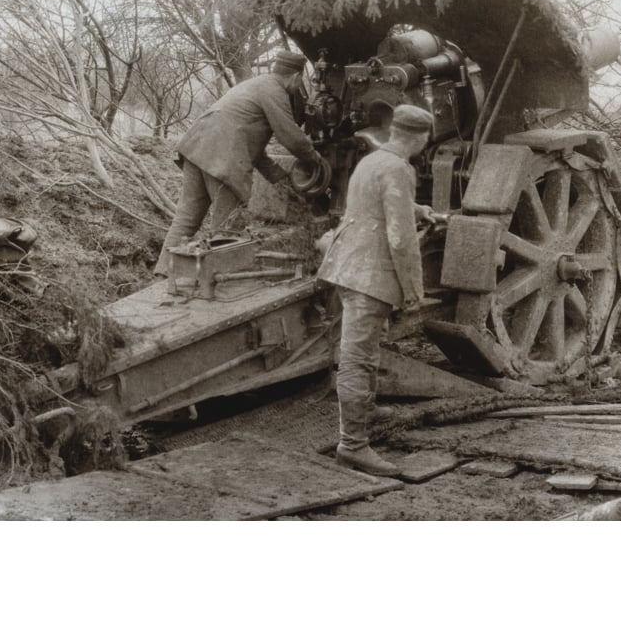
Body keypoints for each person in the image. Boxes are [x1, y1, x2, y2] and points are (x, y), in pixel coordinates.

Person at [317, 103, 442, 477]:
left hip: (347, 265)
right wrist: (414, 290)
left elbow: (373, 205)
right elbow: (401, 240)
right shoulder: (398, 169)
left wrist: (417, 209)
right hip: (370, 274)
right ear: (420, 138)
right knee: (357, 358)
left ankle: (365, 410)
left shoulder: (372, 161)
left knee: (365, 351)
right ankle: (353, 445)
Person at [154, 50, 322, 277]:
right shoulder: (275, 90)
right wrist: (315, 158)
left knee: (186, 218)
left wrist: (280, 177)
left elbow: (253, 148)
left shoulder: (255, 85)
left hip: (197, 147)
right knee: (227, 228)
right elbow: (290, 136)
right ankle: (217, 287)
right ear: (295, 77)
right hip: (222, 158)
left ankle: (164, 274)